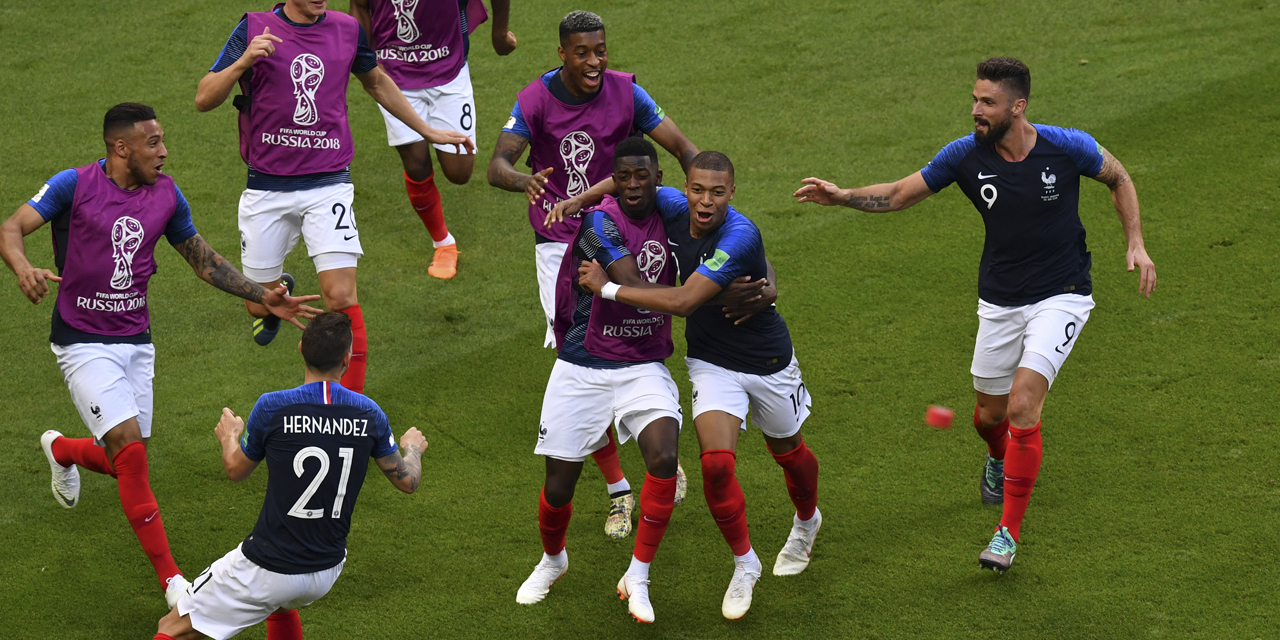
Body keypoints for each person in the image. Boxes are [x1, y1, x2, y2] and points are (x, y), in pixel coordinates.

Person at [794, 57, 1157, 573]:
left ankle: (1006, 535)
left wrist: (1136, 243)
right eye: (974, 100)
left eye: (987, 102)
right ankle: (996, 457)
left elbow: (1118, 177)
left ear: (1018, 106)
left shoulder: (1066, 145)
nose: (975, 111)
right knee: (989, 417)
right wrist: (843, 196)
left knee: (1022, 406)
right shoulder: (965, 155)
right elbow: (899, 195)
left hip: (1063, 292)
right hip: (1001, 300)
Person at [0, 103, 320, 610]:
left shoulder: (166, 195)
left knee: (131, 460)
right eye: (153, 143)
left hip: (135, 341)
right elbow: (11, 227)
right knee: (129, 452)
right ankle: (173, 581)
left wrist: (259, 294)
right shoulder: (74, 184)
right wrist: (22, 267)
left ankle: (61, 451)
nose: (164, 151)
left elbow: (202, 259)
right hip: (81, 341)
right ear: (121, 147)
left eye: (163, 141)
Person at [577, 150, 818, 620]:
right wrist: (575, 202)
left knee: (788, 450)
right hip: (711, 361)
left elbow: (686, 301)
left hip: (767, 358)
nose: (705, 202)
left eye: (717, 192)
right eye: (697, 190)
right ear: (683, 187)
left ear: (733, 193)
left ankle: (808, 522)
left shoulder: (739, 233)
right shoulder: (671, 205)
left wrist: (607, 288)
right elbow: (624, 184)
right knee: (716, 466)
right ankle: (746, 563)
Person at [487, 10, 699, 533]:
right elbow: (497, 167)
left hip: (624, 227)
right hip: (560, 243)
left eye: (600, 50)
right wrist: (525, 183)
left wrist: (707, 204)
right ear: (562, 53)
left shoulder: (628, 93)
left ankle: (655, 437)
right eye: (582, 52)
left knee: (632, 330)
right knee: (581, 353)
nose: (594, 61)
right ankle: (619, 488)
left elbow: (683, 148)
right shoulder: (534, 100)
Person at [195, 0, 475, 394]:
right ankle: (275, 295)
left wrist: (428, 131)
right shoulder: (253, 28)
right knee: (259, 303)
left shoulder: (346, 29)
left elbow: (376, 81)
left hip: (329, 184)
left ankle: (352, 409)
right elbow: (204, 98)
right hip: (267, 186)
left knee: (340, 296)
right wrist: (244, 62)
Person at [152, 312, 427, 640]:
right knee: (281, 604)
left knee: (171, 629)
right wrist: (412, 449)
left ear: (300, 349)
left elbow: (236, 469)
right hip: (326, 569)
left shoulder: (273, 407)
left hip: (270, 565)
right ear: (346, 359)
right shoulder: (370, 415)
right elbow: (408, 481)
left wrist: (229, 436)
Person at [514, 138, 689, 624]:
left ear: (658, 177)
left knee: (665, 456)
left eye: (643, 176)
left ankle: (639, 574)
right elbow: (631, 289)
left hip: (643, 364)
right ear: (614, 179)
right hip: (583, 364)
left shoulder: (673, 206)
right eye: (624, 176)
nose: (634, 185)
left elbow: (720, 223)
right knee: (558, 488)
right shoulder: (600, 220)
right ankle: (553, 560)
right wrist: (700, 294)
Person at [349, 0, 517, 279]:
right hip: (393, 76)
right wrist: (364, 57)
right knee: (416, 164)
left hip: (448, 70)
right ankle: (443, 243)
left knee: (459, 172)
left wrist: (499, 34)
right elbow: (360, 5)